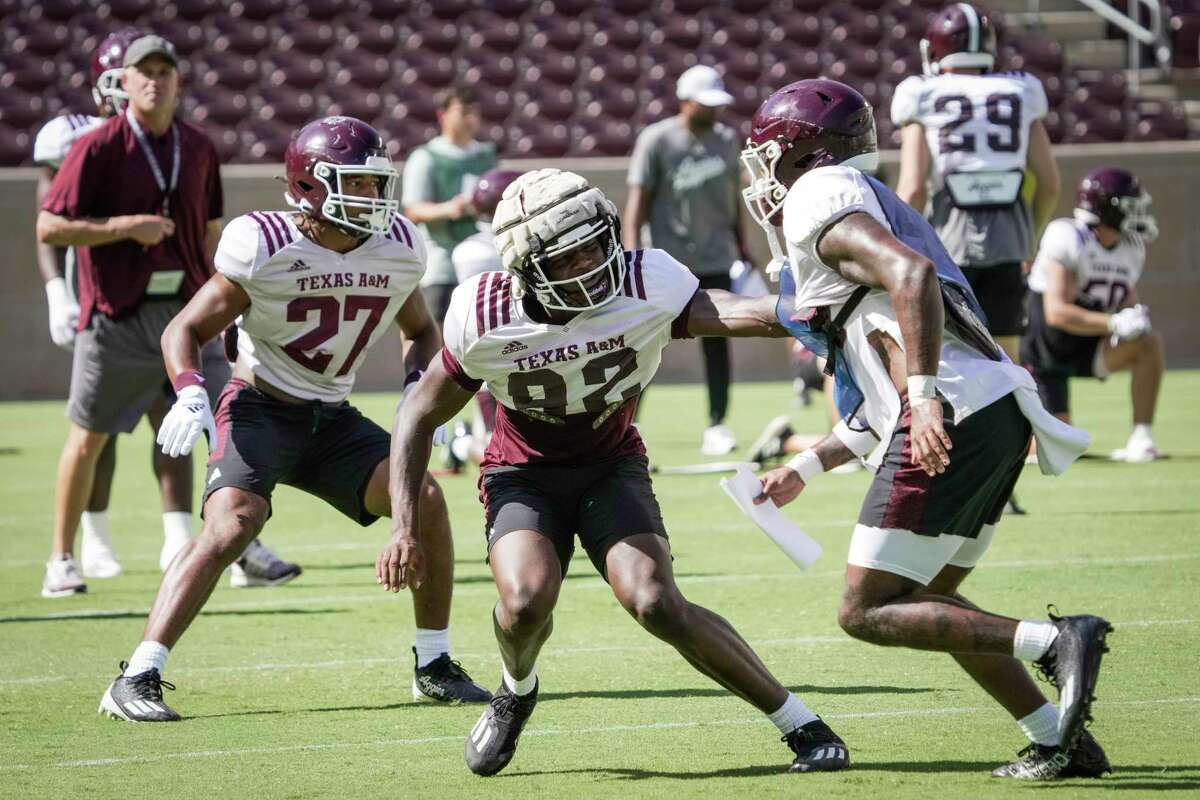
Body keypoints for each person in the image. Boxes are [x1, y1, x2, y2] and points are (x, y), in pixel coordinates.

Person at [383, 168, 851, 777]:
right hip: (524, 471)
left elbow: (736, 311)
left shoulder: (644, 280)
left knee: (656, 601)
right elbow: (416, 414)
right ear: (527, 268)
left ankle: (801, 724)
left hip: (610, 463)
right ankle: (515, 689)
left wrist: (806, 309)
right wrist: (403, 526)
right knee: (524, 602)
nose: (592, 263)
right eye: (569, 256)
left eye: (596, 243)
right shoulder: (485, 313)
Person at [741, 78, 1112, 780]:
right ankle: (1061, 737)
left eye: (769, 153)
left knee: (867, 609)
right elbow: (872, 394)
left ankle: (1058, 642)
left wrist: (924, 398)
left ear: (805, 152)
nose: (761, 171)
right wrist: (806, 466)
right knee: (932, 602)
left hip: (957, 407)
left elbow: (909, 277)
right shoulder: (875, 204)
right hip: (991, 408)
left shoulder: (819, 194)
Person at [98, 116, 490, 723]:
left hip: (330, 416)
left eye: (375, 184)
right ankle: (139, 673)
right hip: (259, 408)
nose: (372, 198)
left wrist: (421, 391)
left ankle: (433, 664)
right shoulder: (265, 243)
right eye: (355, 184)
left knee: (427, 498)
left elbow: (418, 332)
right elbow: (187, 328)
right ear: (310, 187)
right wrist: (190, 391)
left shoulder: (397, 246)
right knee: (233, 526)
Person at [36, 34, 298, 599]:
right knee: (88, 438)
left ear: (179, 80)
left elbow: (209, 232)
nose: (155, 80)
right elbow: (49, 226)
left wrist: (228, 301)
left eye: (164, 70)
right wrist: (123, 227)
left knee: (231, 426)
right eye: (143, 71)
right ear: (123, 83)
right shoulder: (97, 146)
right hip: (118, 314)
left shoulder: (198, 146)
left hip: (188, 312)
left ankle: (241, 546)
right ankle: (60, 557)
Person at [892, 2, 1061, 363]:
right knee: (1007, 361)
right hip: (1010, 241)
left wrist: (897, 251)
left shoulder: (921, 93)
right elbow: (1048, 182)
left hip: (947, 243)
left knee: (944, 357)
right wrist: (1029, 240)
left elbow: (913, 188)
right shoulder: (1021, 90)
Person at [33, 28, 144, 580]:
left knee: (172, 421)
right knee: (96, 428)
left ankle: (191, 539)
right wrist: (56, 290)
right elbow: (47, 222)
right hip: (96, 300)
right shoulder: (73, 134)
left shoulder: (167, 139)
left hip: (156, 302)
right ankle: (85, 542)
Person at [625, 64, 752, 456]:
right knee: (643, 344)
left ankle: (717, 424)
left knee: (717, 341)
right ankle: (627, 426)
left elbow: (734, 200)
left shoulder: (727, 140)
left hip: (716, 259)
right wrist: (632, 259)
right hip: (666, 263)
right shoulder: (657, 140)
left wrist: (742, 246)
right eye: (707, 103)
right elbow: (637, 205)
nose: (715, 111)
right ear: (686, 100)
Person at [1021, 167, 1165, 462]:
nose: (1138, 212)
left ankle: (1142, 438)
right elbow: (1057, 313)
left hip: (1089, 344)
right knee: (1056, 452)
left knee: (1148, 342)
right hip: (1043, 353)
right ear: (1107, 208)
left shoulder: (1132, 247)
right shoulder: (1068, 235)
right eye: (1130, 205)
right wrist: (1114, 322)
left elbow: (1125, 298)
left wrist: (1133, 318)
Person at [446, 168, 523, 468]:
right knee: (498, 452)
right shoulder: (474, 252)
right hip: (493, 344)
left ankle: (464, 440)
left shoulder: (471, 248)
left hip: (519, 343)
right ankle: (462, 442)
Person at [401, 85, 497, 328]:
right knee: (439, 338)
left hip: (484, 265)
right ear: (442, 115)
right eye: (464, 112)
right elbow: (413, 209)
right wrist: (450, 209)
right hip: (442, 266)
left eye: (475, 112)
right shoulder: (425, 157)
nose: (471, 119)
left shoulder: (486, 155)